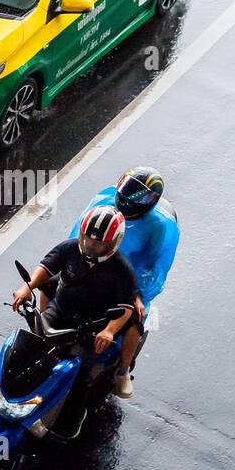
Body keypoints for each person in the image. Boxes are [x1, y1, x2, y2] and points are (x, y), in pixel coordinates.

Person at [60, 167, 179, 398]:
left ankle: (123, 371)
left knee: (134, 318)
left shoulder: (160, 228)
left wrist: (137, 294)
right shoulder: (101, 203)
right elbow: (76, 238)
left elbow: (155, 268)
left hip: (125, 282)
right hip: (89, 267)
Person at [11, 205, 138, 408]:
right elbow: (46, 267)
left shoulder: (122, 269)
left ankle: (74, 414)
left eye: (98, 244)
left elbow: (126, 306)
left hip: (93, 325)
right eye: (88, 239)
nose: (90, 246)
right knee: (32, 346)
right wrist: (27, 287)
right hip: (62, 310)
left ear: (113, 243)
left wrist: (109, 331)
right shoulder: (69, 248)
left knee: (82, 372)